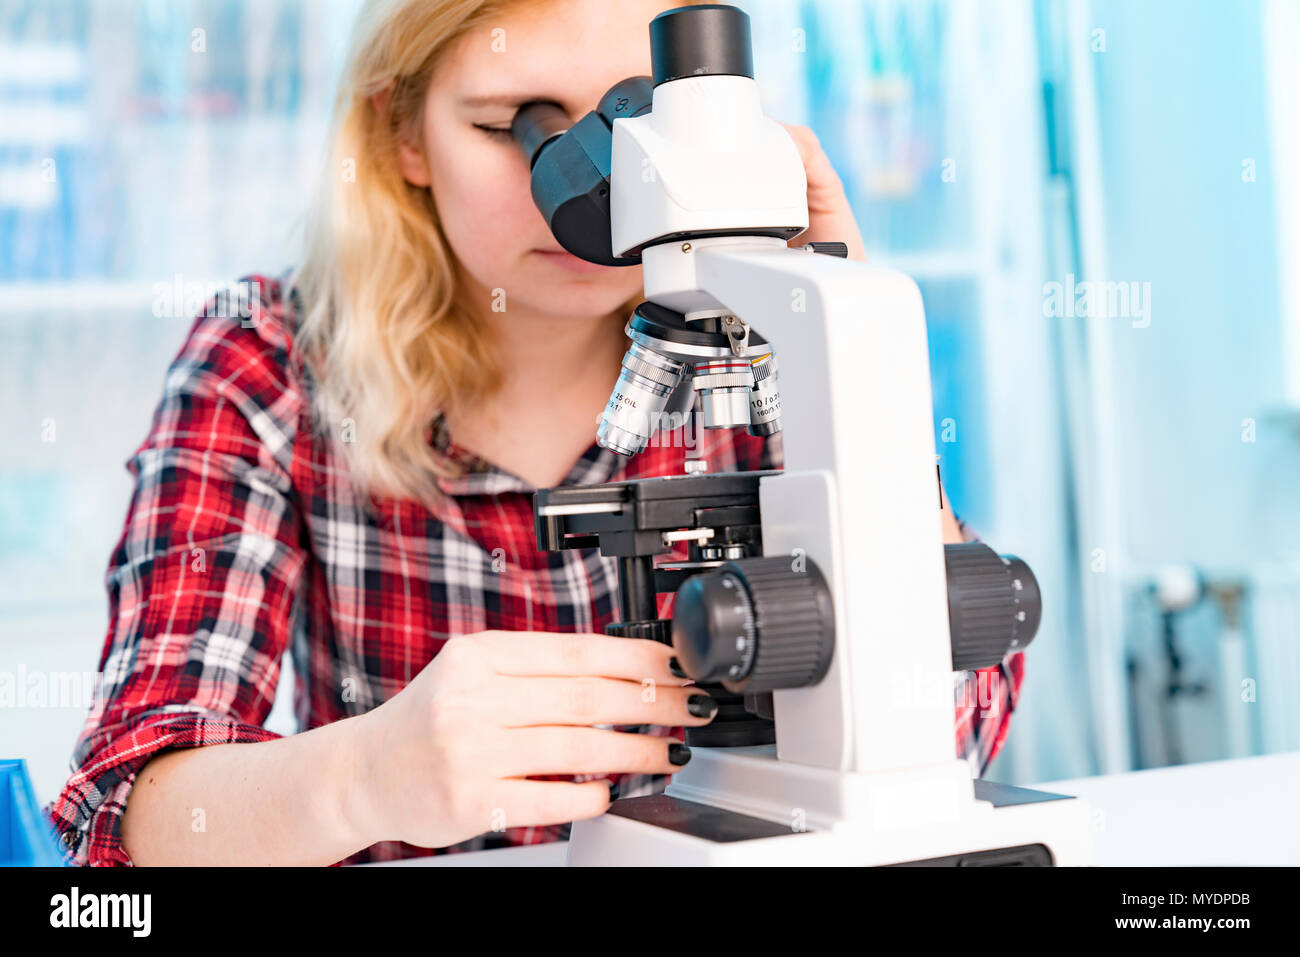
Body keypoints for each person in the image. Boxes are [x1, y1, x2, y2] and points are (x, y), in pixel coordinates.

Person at [49, 0, 1022, 866]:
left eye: (636, 123)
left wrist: (845, 333)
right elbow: (125, 818)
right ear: (404, 137)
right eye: (523, 127)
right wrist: (364, 776)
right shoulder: (273, 361)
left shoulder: (763, 347)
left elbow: (960, 726)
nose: (589, 194)